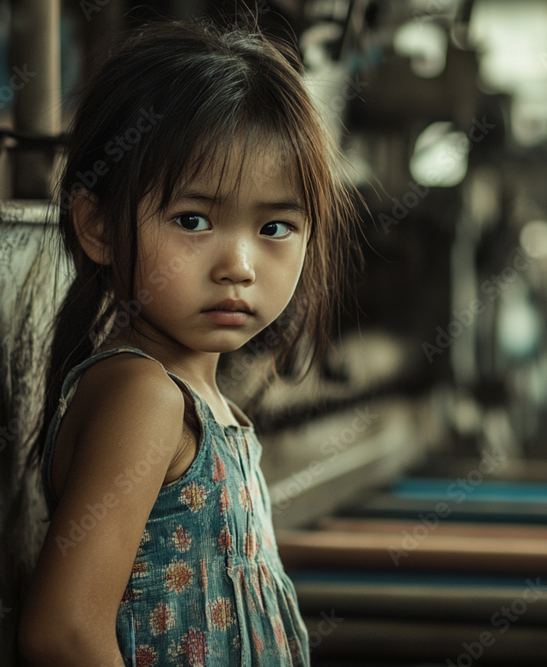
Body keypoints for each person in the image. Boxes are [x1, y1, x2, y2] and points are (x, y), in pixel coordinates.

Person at [18, 20, 357, 666]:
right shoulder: (145, 396)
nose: (239, 265)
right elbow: (61, 633)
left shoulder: (208, 404)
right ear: (98, 227)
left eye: (274, 227)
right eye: (193, 220)